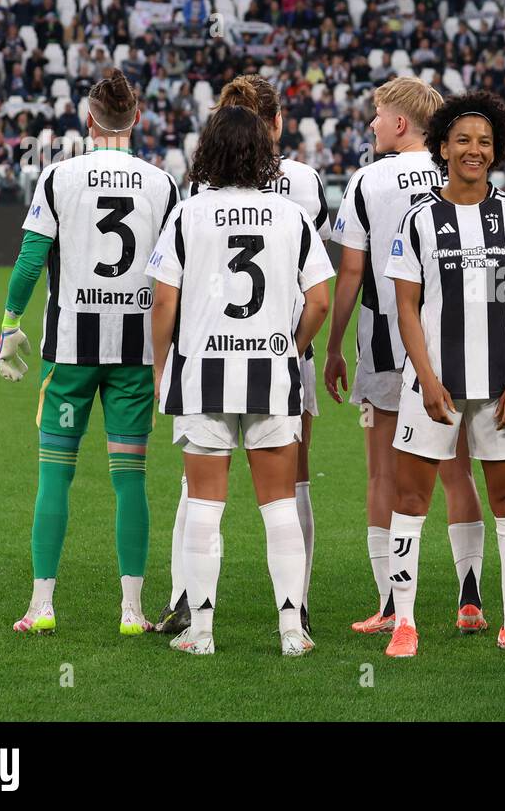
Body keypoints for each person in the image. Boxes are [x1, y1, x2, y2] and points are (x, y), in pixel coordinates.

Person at [0, 69, 179, 636]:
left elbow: (31, 260)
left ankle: (42, 607)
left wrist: (9, 324)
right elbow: (176, 276)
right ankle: (132, 611)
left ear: (88, 120)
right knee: (130, 478)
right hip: (136, 351)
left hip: (71, 348)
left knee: (55, 475)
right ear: (137, 119)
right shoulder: (163, 184)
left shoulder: (58, 176)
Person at [146, 104, 333, 656]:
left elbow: (163, 299)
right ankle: (292, 630)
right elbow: (320, 300)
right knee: (279, 506)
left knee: (205, 506)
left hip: (203, 373)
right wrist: (290, 346)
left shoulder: (189, 214)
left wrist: (161, 365)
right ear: (263, 155)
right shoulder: (291, 216)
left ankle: (201, 632)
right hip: (271, 374)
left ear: (210, 151)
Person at [382, 91, 505, 659]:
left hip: (501, 388)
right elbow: (406, 308)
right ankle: (405, 623)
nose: (474, 150)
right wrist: (427, 379)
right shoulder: (418, 219)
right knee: (411, 499)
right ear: (443, 147)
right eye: (463, 140)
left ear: (495, 151)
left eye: (484, 142)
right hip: (435, 387)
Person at [326, 77, 490, 637]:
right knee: (456, 470)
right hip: (454, 344)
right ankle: (470, 597)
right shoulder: (459, 171)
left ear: (400, 123)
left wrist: (333, 345)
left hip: (386, 342)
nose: (371, 124)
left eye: (377, 114)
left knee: (385, 472)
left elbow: (351, 272)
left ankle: (392, 603)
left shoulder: (368, 180)